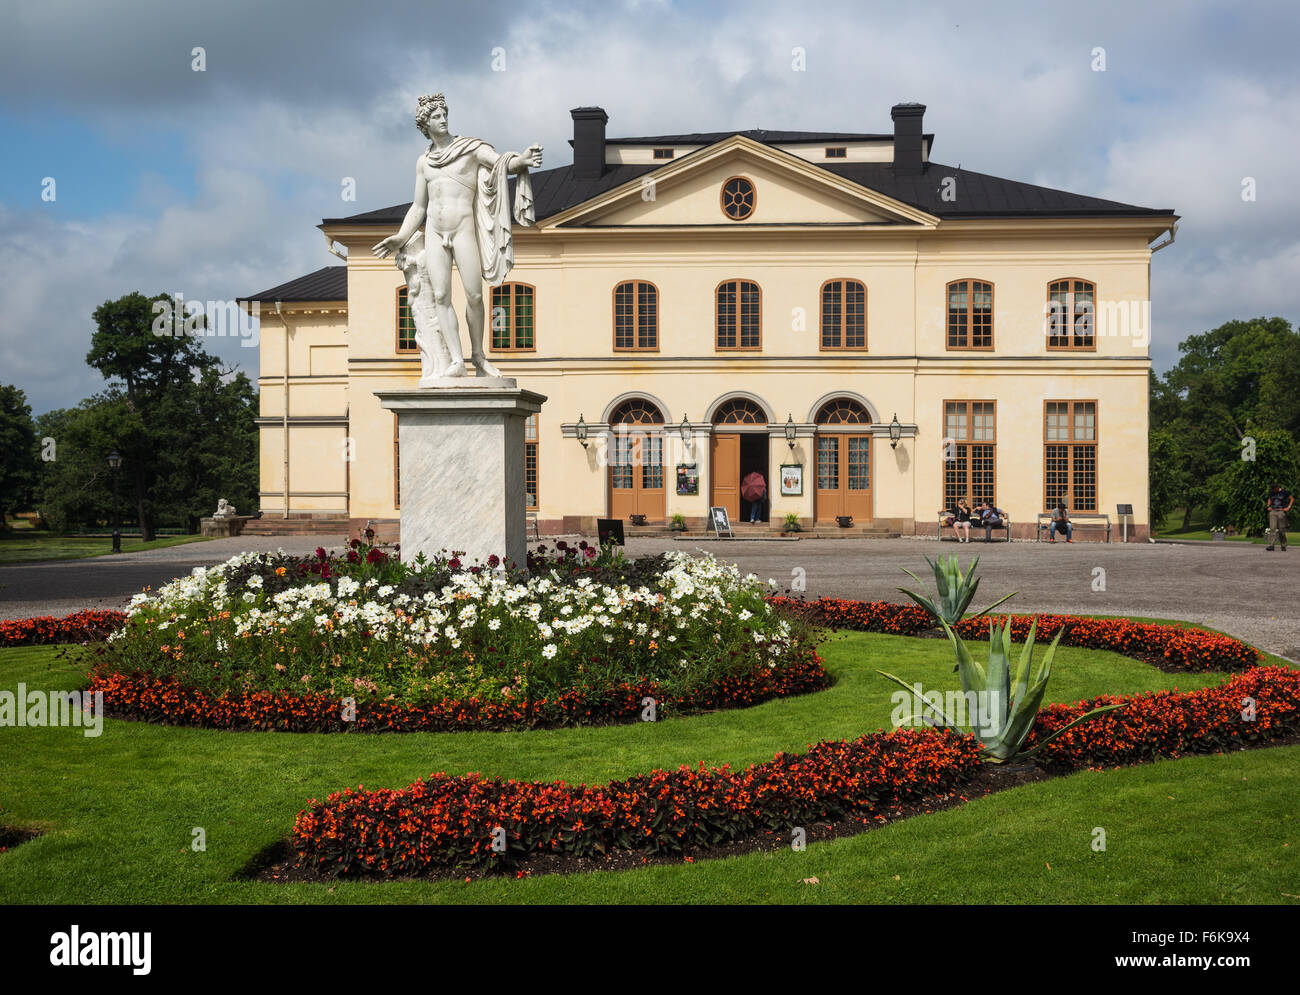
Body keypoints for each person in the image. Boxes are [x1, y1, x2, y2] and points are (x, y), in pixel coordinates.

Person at [1265, 483, 1292, 551]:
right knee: (1272, 528)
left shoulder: (1284, 492)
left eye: (1275, 489)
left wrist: (1288, 507)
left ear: (1277, 487)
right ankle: (1271, 545)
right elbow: (1269, 499)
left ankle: (1283, 545)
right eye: (1273, 489)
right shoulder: (1272, 492)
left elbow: (1292, 499)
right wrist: (1268, 506)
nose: (1274, 490)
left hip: (1281, 511)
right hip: (1273, 511)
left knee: (1281, 530)